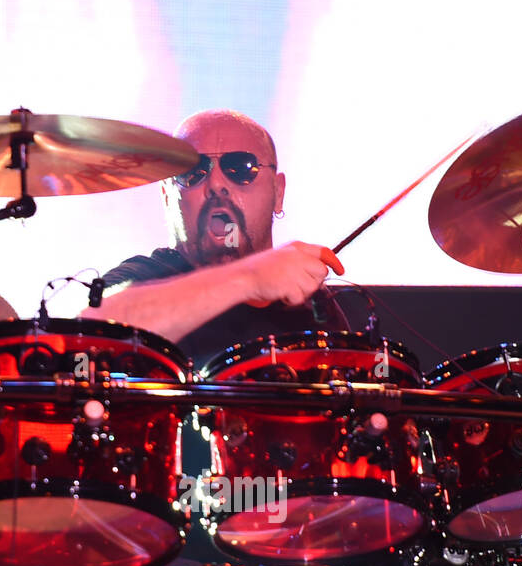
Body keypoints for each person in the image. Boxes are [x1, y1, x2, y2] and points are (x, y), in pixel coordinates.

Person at [81, 109, 348, 371]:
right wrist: (251, 278)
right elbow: (91, 330)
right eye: (193, 172)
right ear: (167, 196)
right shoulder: (143, 276)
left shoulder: (312, 303)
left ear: (278, 192)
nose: (216, 183)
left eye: (241, 168)